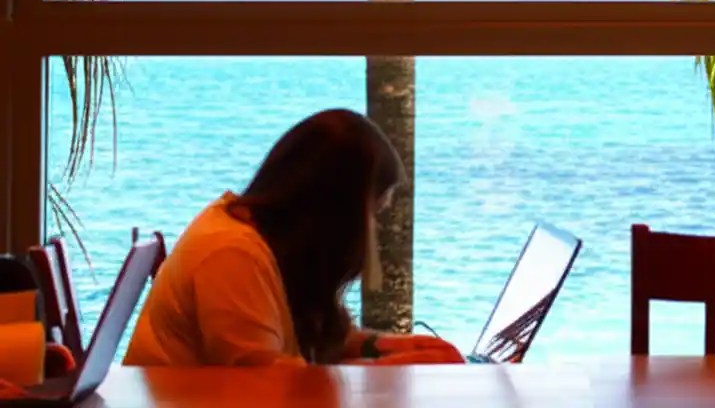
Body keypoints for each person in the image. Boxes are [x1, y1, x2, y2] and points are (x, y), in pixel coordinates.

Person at [123, 108, 463, 366]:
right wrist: (386, 372)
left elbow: (308, 343)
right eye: (372, 214)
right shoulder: (230, 255)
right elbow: (265, 384)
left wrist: (382, 348)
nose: (371, 232)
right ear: (336, 212)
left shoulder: (259, 238)